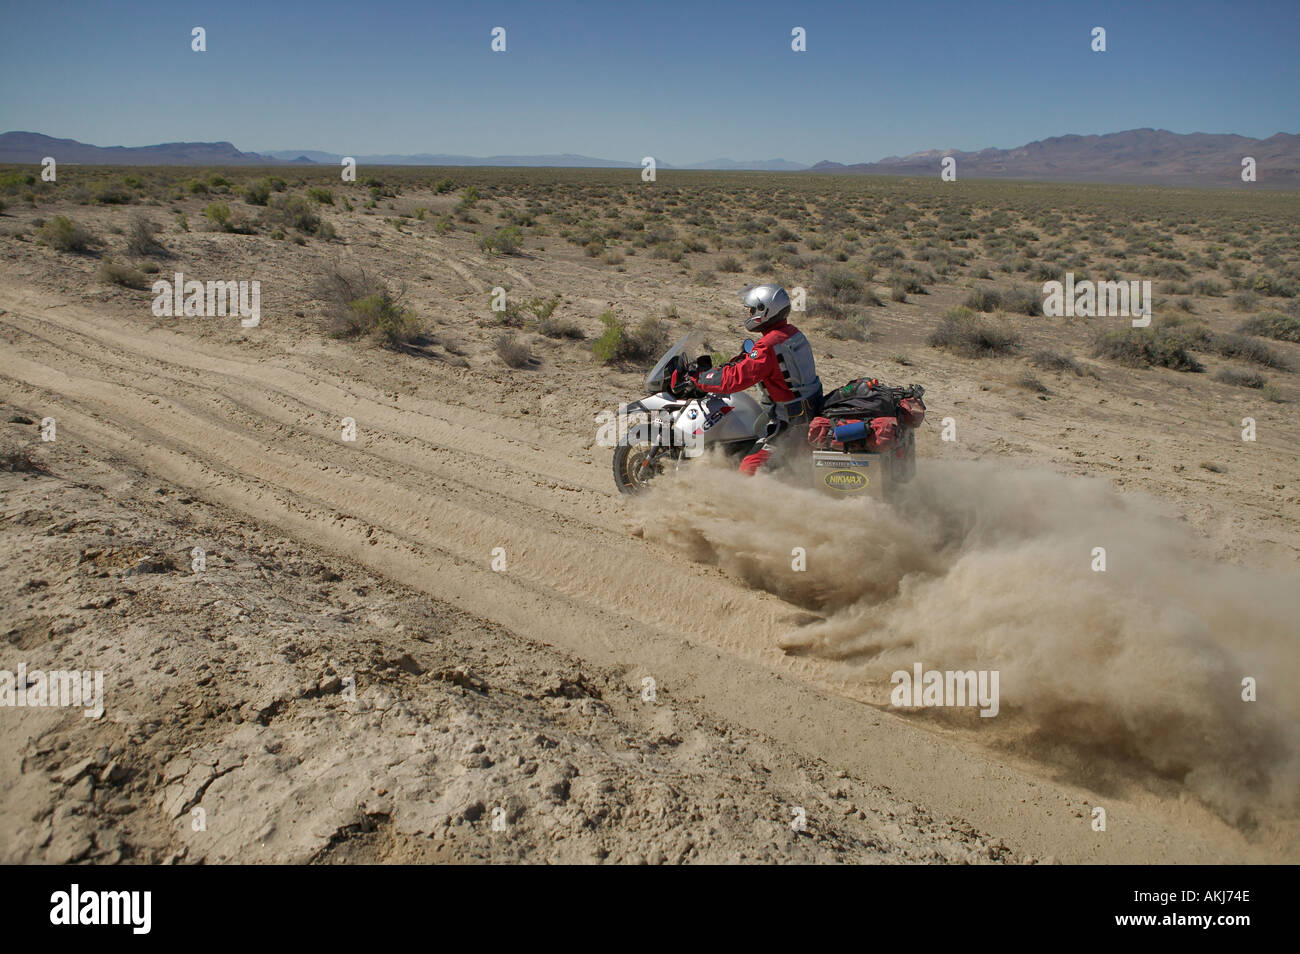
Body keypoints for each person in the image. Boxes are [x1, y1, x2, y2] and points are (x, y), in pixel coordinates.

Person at [690, 284, 822, 475]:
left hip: (789, 426)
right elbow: (761, 364)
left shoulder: (767, 346)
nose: (750, 314)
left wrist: (698, 378)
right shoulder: (791, 333)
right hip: (806, 413)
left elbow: (733, 381)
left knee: (749, 469)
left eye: (752, 310)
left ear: (765, 310)